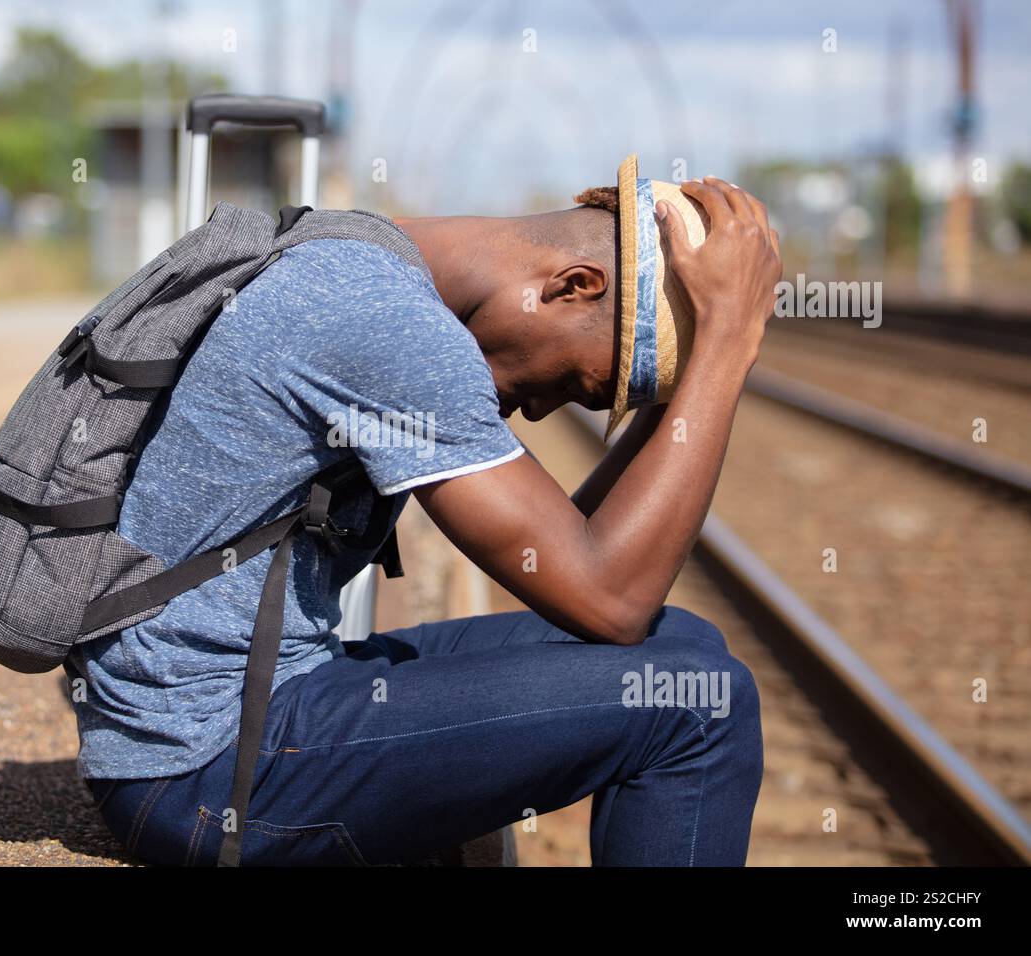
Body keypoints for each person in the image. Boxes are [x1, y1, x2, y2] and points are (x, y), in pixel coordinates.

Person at [67, 154, 782, 866]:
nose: (539, 409)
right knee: (703, 704)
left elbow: (578, 562)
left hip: (250, 707)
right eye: (575, 384)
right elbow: (608, 596)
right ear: (573, 286)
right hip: (206, 771)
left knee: (686, 647)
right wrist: (725, 343)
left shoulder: (363, 258)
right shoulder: (394, 328)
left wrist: (687, 381)